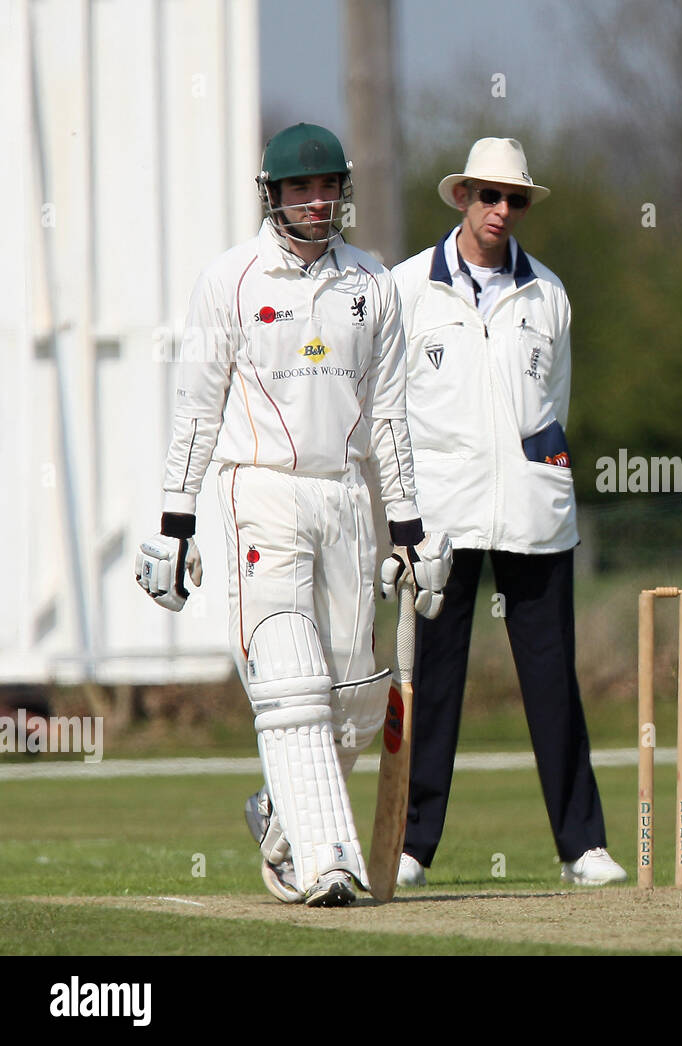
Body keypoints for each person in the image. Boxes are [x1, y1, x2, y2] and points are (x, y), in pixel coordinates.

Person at [135, 123, 452, 907]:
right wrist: (177, 526)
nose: (315, 202)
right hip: (259, 491)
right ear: (271, 195)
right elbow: (197, 409)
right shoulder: (231, 280)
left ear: (343, 191)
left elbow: (388, 419)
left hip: (344, 498)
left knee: (354, 696)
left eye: (327, 188)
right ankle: (324, 862)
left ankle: (282, 819)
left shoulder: (371, 284)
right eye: (298, 190)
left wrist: (408, 531)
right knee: (292, 676)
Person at [391, 137, 625, 887]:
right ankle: (411, 844)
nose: (500, 210)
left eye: (514, 199)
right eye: (488, 195)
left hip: (531, 509)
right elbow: (386, 410)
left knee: (554, 682)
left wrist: (541, 473)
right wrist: (396, 514)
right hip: (438, 517)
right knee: (432, 683)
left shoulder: (548, 293)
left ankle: (581, 846)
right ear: (461, 197)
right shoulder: (404, 290)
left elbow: (551, 409)